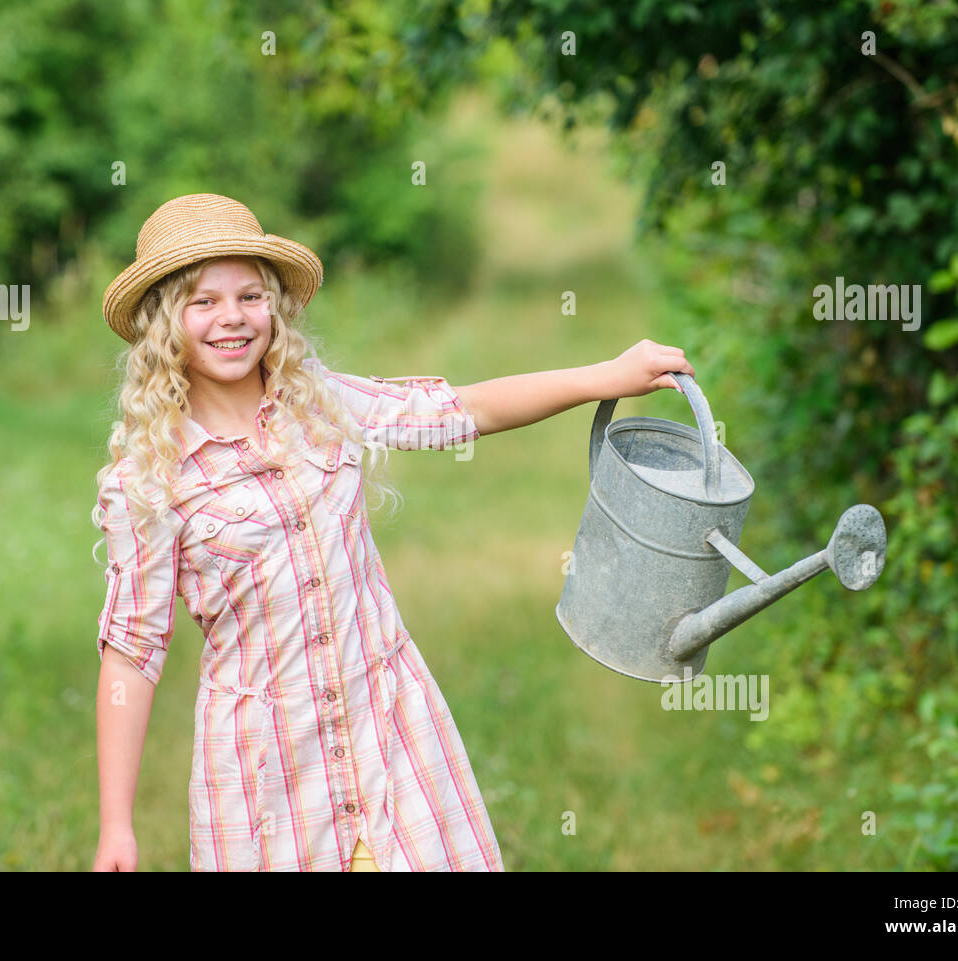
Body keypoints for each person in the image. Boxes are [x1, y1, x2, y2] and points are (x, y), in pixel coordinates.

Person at [90, 193, 694, 872]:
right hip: (267, 777)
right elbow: (131, 650)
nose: (232, 317)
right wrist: (117, 824)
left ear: (273, 309)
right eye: (203, 301)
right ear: (166, 323)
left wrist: (608, 375)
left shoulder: (317, 404)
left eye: (250, 296)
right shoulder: (147, 480)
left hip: (392, 730)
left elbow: (462, 409)